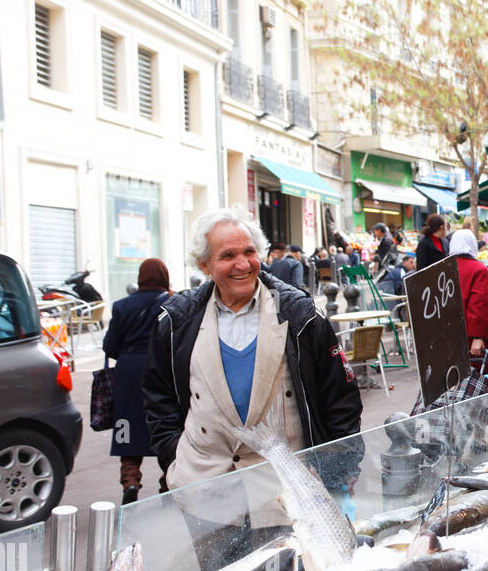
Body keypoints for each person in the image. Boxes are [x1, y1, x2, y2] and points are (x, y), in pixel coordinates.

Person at [143, 207, 363, 499]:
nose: (243, 264)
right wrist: (177, 455)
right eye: (227, 255)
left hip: (289, 490)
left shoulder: (300, 315)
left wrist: (339, 469)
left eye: (249, 252)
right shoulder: (176, 322)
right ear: (204, 265)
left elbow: (340, 399)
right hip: (206, 491)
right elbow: (158, 399)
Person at [102, 258, 172, 504]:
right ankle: (167, 483)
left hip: (128, 372)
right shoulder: (172, 302)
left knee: (128, 427)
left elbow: (110, 346)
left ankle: (130, 482)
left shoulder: (122, 306)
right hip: (162, 369)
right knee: (165, 422)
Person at [448, 230, 488, 382]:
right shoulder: (478, 269)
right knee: (478, 388)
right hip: (472, 339)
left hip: (450, 339)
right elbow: (480, 306)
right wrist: (478, 337)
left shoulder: (444, 268)